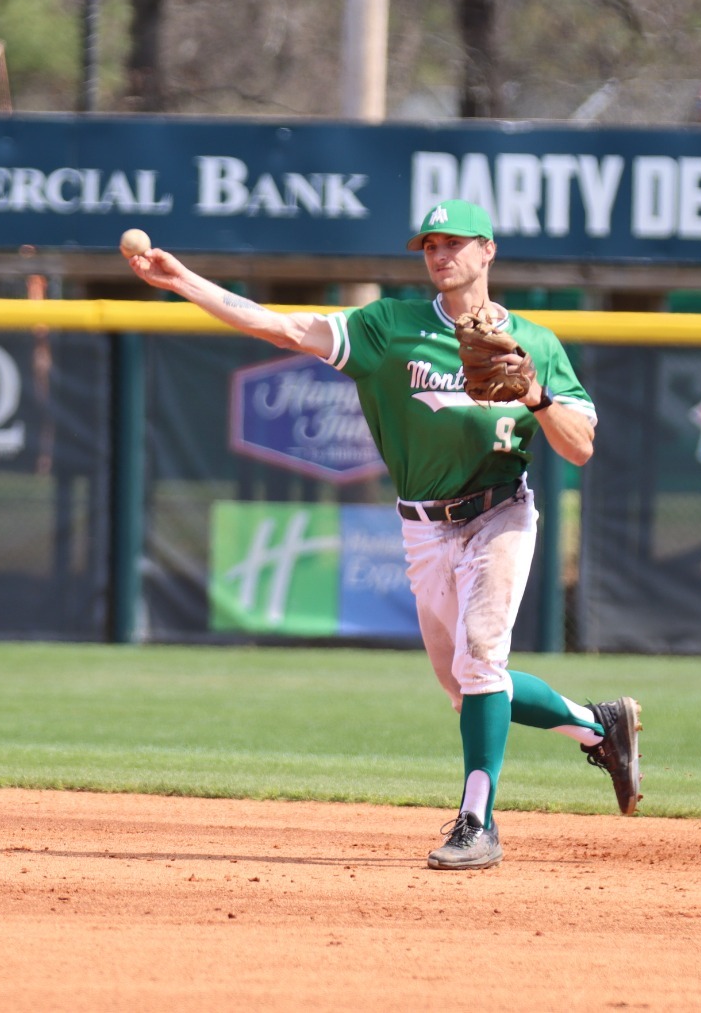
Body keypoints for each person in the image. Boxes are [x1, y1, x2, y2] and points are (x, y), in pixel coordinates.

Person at [126, 199, 642, 871]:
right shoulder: (387, 327)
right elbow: (281, 327)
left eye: (453, 242)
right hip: (424, 526)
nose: (439, 254)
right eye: (429, 243)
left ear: (487, 250)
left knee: (482, 658)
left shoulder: (534, 342)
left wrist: (536, 393)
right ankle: (601, 727)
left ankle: (476, 822)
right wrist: (183, 281)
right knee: (466, 688)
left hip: (500, 514)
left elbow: (579, 449)